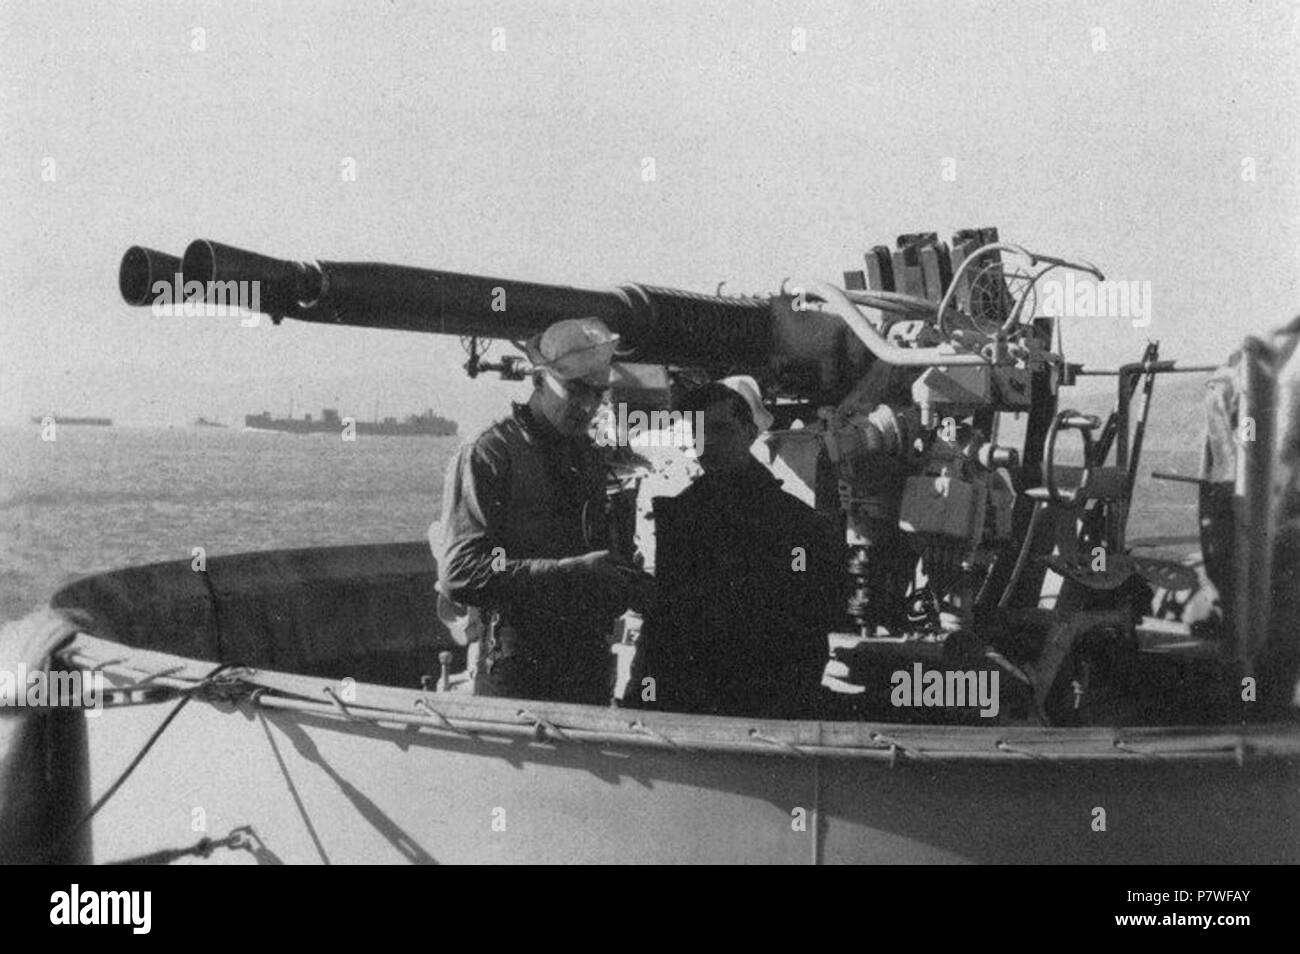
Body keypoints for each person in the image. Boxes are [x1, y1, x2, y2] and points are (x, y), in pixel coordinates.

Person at [431, 317, 652, 705]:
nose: (587, 406)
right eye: (575, 390)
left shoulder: (586, 456)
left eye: (598, 393)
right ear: (537, 381)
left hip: (587, 663)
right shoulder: (490, 453)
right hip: (519, 668)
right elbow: (461, 572)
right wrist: (572, 572)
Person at [631, 376, 846, 719]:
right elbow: (662, 626)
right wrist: (639, 698)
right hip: (690, 707)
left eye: (721, 429)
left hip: (764, 711)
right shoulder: (681, 516)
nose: (709, 443)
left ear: (749, 432)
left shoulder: (797, 525)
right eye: (699, 433)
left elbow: (810, 625)